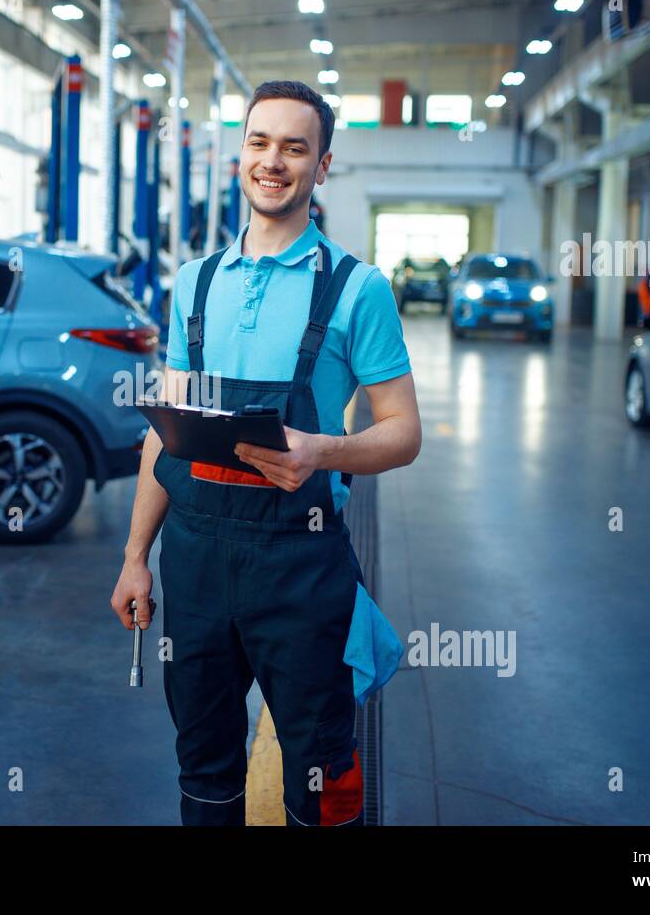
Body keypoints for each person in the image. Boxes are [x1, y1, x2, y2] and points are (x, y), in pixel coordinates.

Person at [109, 80, 422, 826]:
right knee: (205, 763)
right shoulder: (197, 281)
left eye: (294, 147)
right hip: (195, 559)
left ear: (322, 165)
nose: (272, 161)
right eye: (259, 142)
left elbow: (403, 430)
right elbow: (166, 430)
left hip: (301, 565)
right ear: (239, 155)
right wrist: (133, 555)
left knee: (321, 774)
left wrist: (324, 449)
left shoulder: (356, 288)